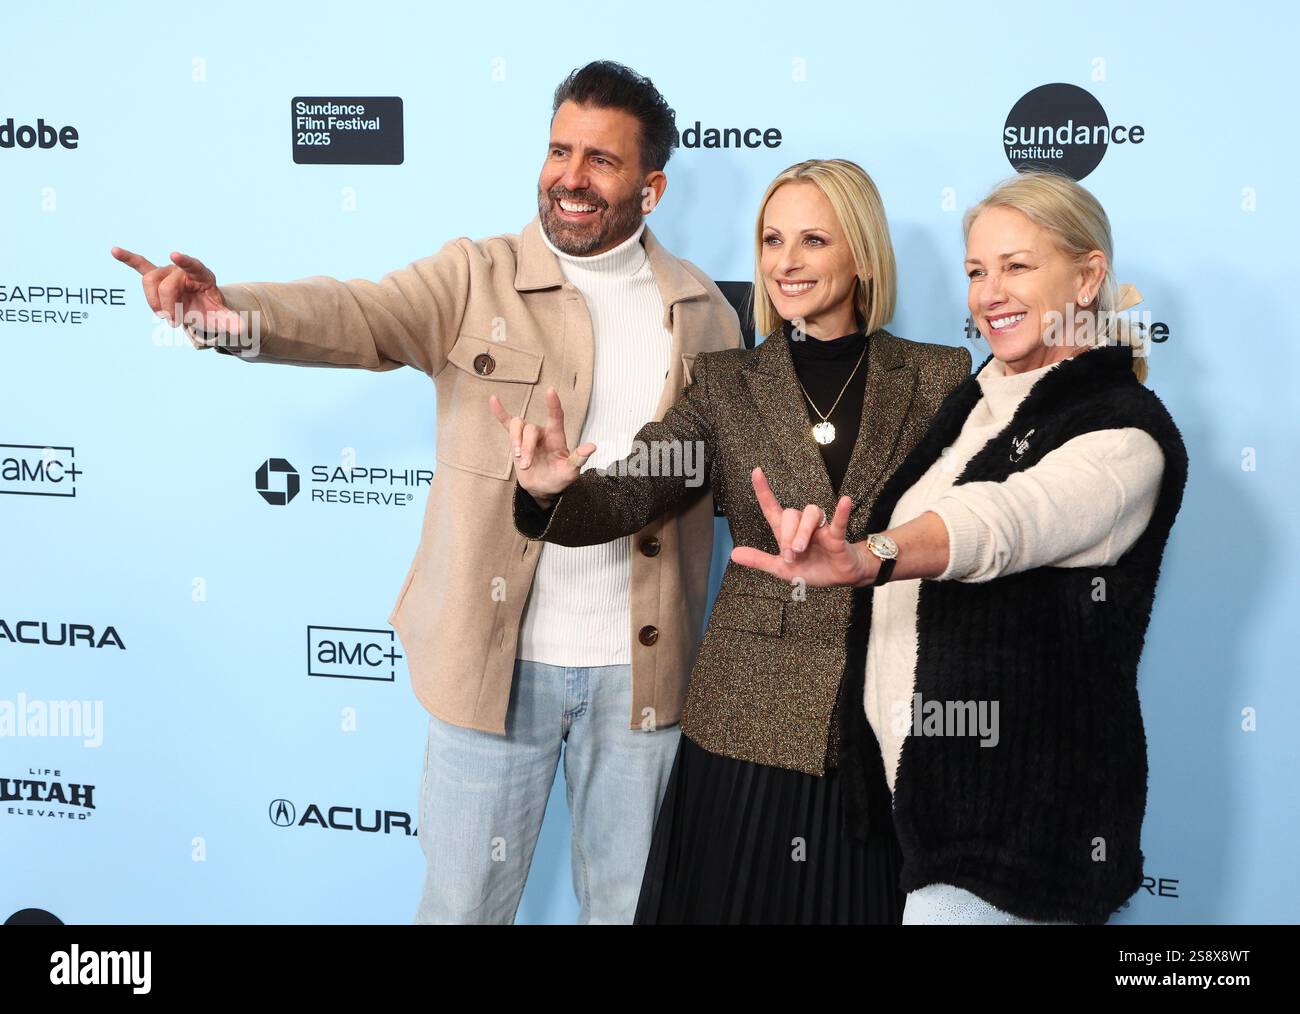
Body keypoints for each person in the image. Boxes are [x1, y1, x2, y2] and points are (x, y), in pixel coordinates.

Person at [111, 60, 743, 924]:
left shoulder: (703, 311)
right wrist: (232, 315)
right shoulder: (473, 276)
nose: (571, 176)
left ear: (652, 187)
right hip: (492, 671)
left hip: (642, 679)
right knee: (461, 908)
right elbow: (355, 314)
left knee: (633, 910)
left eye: (601, 160)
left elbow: (710, 475)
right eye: (560, 149)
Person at [497, 158, 971, 923]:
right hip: (750, 711)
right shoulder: (725, 384)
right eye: (773, 239)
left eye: (813, 240)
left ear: (861, 253)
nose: (786, 262)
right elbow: (628, 493)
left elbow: (971, 529)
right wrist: (549, 490)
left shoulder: (939, 376)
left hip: (880, 709)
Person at [730, 170, 1189, 925]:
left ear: (1087, 277)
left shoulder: (1124, 431)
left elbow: (1002, 522)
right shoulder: (977, 404)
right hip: (921, 812)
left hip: (1016, 826)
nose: (989, 292)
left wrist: (869, 554)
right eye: (978, 271)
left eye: (1017, 266)